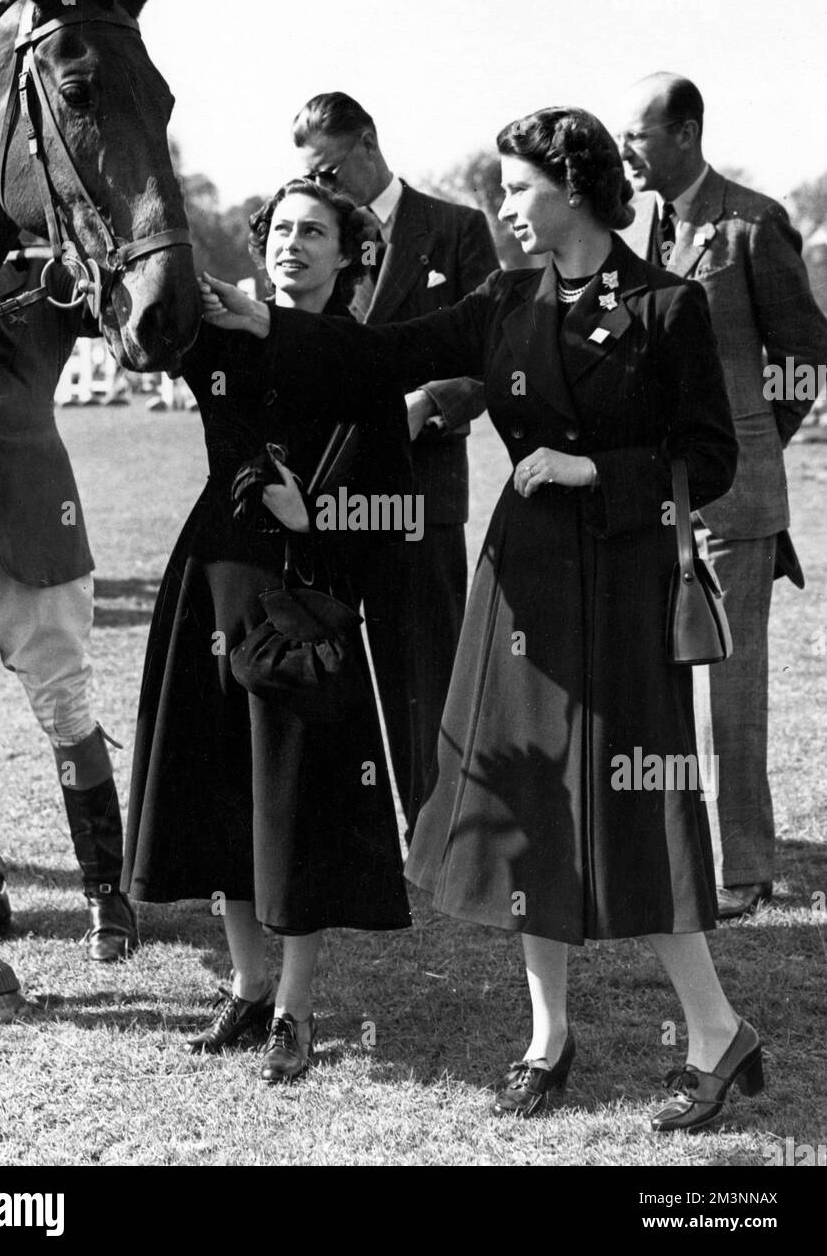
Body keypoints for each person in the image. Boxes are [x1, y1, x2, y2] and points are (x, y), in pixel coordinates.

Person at [203, 108, 766, 1134]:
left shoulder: (666, 305)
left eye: (516, 186)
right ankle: (546, 1037)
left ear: (573, 188)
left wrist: (595, 466)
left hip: (621, 588)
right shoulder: (504, 297)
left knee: (631, 812)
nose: (502, 204)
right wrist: (265, 328)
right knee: (524, 809)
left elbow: (711, 459)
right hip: (520, 583)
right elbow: (379, 358)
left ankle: (715, 1031)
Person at [122, 178, 411, 1084]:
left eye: (315, 231)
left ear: (349, 253)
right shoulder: (211, 335)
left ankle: (294, 1004)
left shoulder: (363, 362)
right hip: (212, 581)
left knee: (294, 802)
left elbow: (397, 508)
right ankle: (246, 987)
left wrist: (315, 517)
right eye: (281, 229)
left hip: (305, 592)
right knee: (219, 792)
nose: (293, 243)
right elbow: (129, 313)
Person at [616, 72, 827, 918]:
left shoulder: (750, 223)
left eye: (638, 134)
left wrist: (751, 438)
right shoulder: (657, 228)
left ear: (686, 133)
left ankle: (742, 870)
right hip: (664, 497)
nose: (627, 149)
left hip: (734, 502)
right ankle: (683, 851)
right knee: (669, 677)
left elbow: (806, 352)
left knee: (726, 687)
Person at [292, 93, 500, 834]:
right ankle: (349, 829)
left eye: (330, 165)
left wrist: (425, 404)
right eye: (311, 171)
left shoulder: (456, 229)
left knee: (427, 671)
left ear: (368, 141)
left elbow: (492, 357)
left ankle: (440, 826)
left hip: (422, 492)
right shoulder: (315, 235)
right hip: (330, 495)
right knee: (330, 666)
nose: (323, 182)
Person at [0, 243, 139, 964]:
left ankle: (106, 892)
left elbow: (133, 314)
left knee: (66, 711)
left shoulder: (46, 271)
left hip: (31, 511)